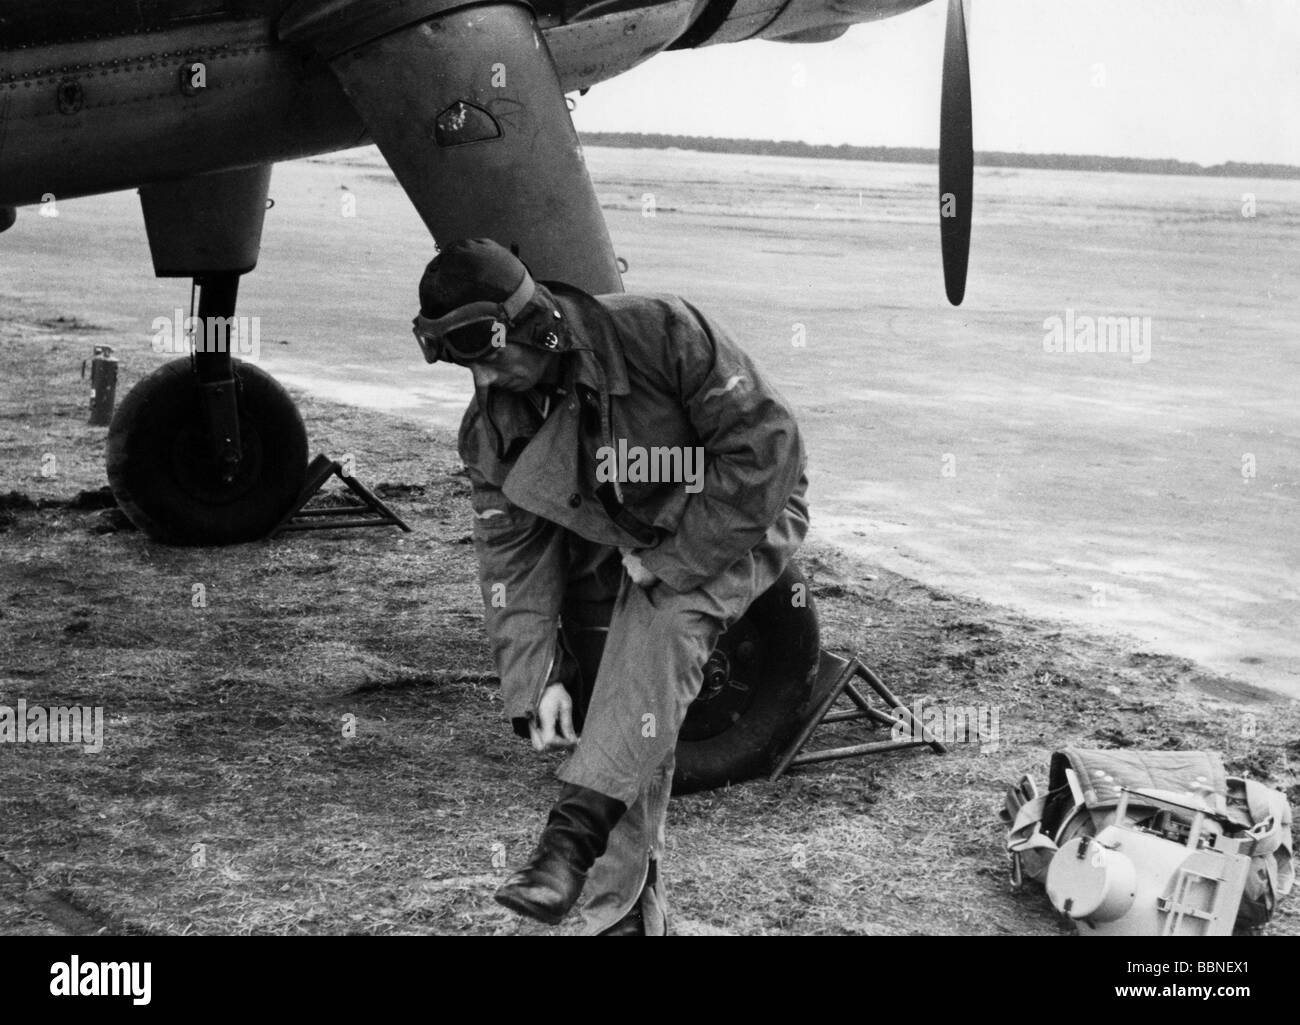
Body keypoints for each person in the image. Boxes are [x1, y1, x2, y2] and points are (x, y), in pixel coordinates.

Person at [413, 238, 809, 935]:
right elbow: (511, 562)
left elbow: (768, 450)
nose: (488, 381)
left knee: (664, 621)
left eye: (495, 356)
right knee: (613, 702)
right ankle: (621, 916)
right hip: (618, 542)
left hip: (733, 511)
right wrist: (538, 677)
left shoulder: (661, 331)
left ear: (540, 325)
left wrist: (673, 556)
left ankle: (569, 842)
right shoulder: (492, 430)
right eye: (469, 365)